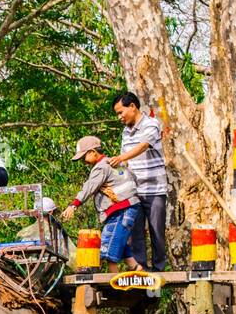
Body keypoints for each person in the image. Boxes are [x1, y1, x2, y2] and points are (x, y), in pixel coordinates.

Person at [108, 91, 168, 271]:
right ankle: (140, 267)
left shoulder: (152, 124)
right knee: (135, 231)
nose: (119, 117)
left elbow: (143, 146)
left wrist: (121, 157)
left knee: (156, 230)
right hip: (134, 190)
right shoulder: (125, 132)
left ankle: (158, 268)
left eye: (121, 112)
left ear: (132, 106)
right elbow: (125, 162)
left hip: (154, 188)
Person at [63, 135, 141, 272]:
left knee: (109, 245)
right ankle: (135, 267)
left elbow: (89, 187)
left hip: (121, 210)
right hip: (127, 207)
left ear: (93, 152)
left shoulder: (101, 168)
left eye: (83, 157)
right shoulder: (115, 164)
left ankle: (113, 282)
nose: (83, 161)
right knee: (119, 241)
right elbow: (131, 178)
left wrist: (73, 205)